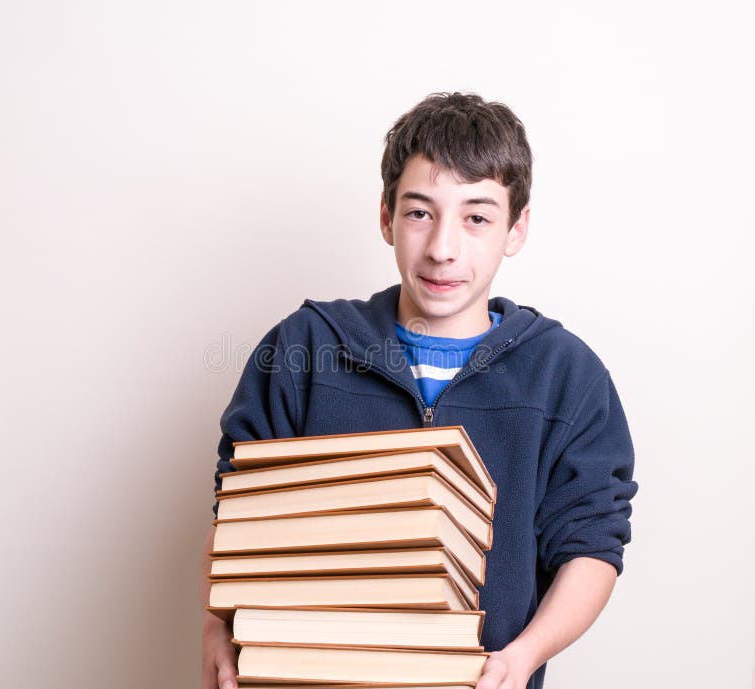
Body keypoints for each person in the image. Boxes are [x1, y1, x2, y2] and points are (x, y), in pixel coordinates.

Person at [201, 92, 638, 689]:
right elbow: (237, 505)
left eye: (477, 217)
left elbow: (591, 543)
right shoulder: (304, 348)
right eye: (419, 212)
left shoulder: (566, 375)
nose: (442, 248)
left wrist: (524, 656)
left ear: (517, 228)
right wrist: (216, 629)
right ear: (386, 216)